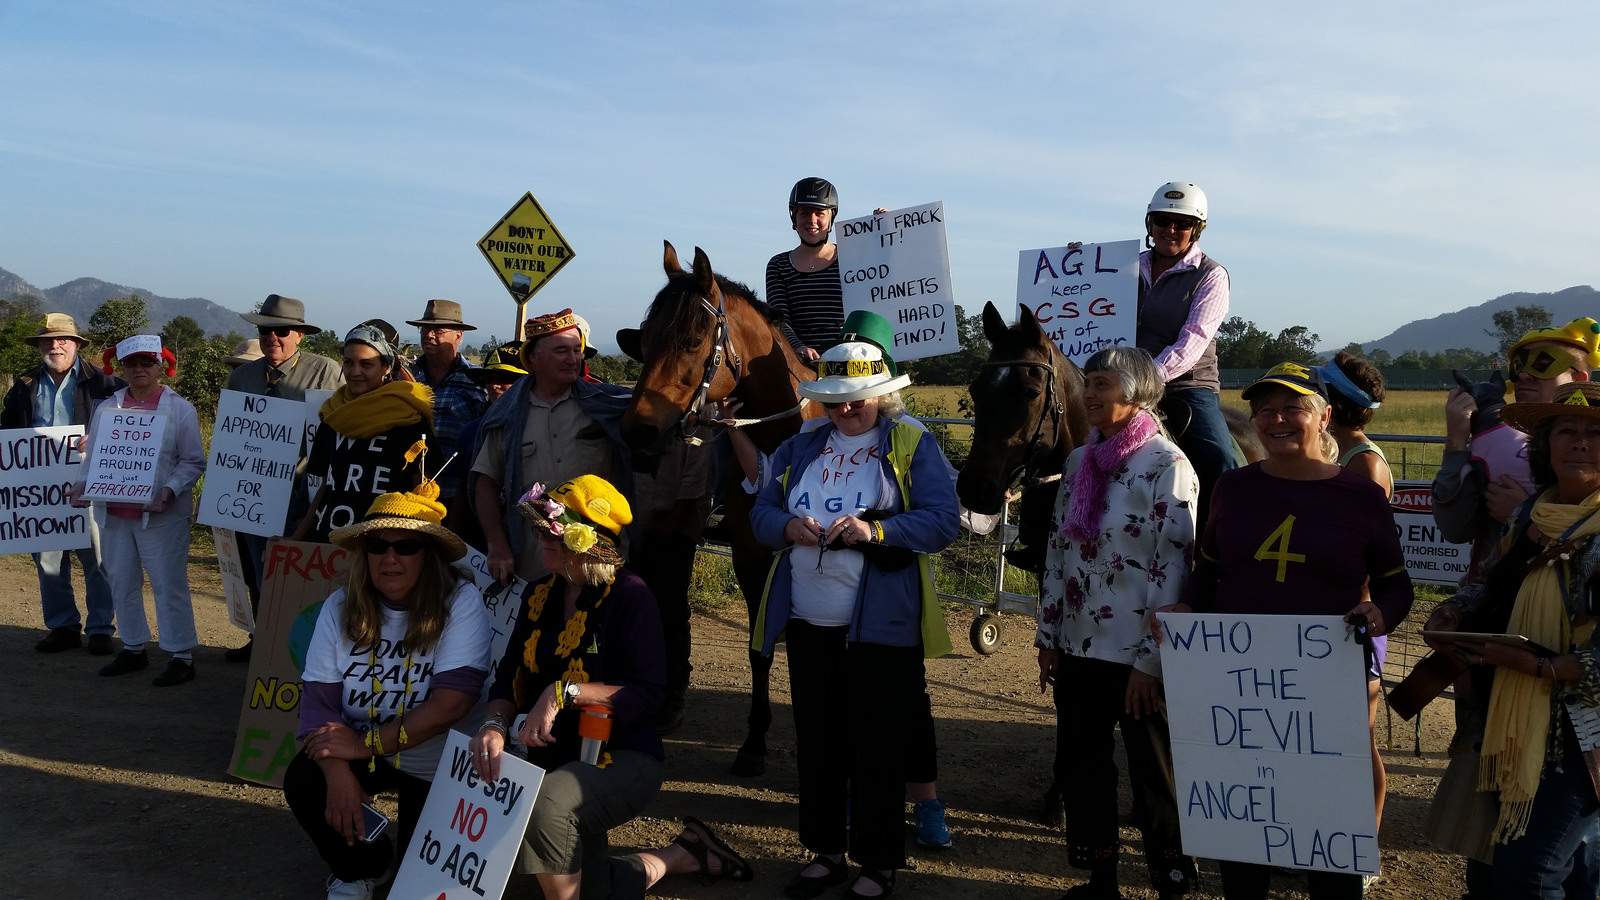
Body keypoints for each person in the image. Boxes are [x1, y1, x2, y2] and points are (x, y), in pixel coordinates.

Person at [1174, 361, 1413, 899]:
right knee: (1247, 837)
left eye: (1293, 408)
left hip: (1324, 687)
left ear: (1324, 416)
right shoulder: (1232, 489)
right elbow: (1207, 574)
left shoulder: (1360, 497)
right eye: (1265, 409)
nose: (1277, 419)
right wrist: (1187, 609)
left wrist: (1380, 617)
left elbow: (1398, 589)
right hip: (1241, 689)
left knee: (1330, 836)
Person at [721, 309, 956, 845]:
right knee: (818, 745)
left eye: (858, 397)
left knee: (876, 747)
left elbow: (942, 521)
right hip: (808, 625)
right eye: (834, 398)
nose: (845, 408)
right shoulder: (800, 444)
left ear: (883, 394)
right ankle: (823, 852)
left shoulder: (910, 443)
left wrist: (876, 533)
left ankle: (877, 862)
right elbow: (761, 512)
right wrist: (786, 526)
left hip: (880, 629)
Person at [469, 474, 754, 898]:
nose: (542, 538)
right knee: (573, 885)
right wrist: (493, 723)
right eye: (541, 530)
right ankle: (681, 854)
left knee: (548, 807)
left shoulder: (631, 596)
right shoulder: (538, 593)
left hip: (621, 756)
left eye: (554, 533)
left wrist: (566, 692)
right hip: (554, 760)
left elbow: (648, 695)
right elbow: (510, 673)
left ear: (588, 544)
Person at [1425, 317, 1600, 895]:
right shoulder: (1532, 514)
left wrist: (1545, 667)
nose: (1579, 440)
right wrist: (1455, 613)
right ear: (1545, 447)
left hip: (1585, 729)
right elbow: (1494, 579)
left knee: (1533, 871)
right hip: (1512, 713)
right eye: (1565, 430)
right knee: (1516, 862)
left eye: (1595, 431)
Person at [283, 475, 491, 900]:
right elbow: (317, 706)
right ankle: (359, 870)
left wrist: (364, 746)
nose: (390, 558)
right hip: (363, 746)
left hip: (438, 759)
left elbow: (452, 704)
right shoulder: (339, 605)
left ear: (429, 555)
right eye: (377, 546)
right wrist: (337, 771)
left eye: (406, 547)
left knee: (419, 884)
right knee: (305, 779)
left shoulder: (461, 600)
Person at [1037, 346, 1197, 899]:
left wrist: (1152, 663)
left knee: (1154, 770)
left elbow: (1173, 564)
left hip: (1136, 654)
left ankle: (1169, 879)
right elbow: (1059, 549)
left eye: (1102, 384)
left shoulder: (1166, 465)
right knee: (1084, 763)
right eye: (1088, 384)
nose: (1090, 394)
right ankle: (1101, 878)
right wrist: (1048, 635)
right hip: (1080, 645)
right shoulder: (1082, 460)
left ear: (1137, 392)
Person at [75, 336, 205, 686]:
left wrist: (169, 489)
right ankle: (133, 647)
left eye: (146, 362)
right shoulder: (108, 408)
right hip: (114, 512)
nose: (139, 369)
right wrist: (82, 484)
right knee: (121, 580)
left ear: (160, 365)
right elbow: (97, 457)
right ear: (122, 367)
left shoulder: (180, 409)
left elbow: (193, 461)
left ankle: (180, 654)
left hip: (161, 515)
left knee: (167, 582)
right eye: (132, 363)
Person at [471, 309, 631, 584]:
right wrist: (497, 544)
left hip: (597, 560)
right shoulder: (506, 417)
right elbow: (485, 481)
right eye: (561, 351)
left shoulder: (605, 407)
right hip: (532, 561)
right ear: (533, 358)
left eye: (576, 350)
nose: (573, 359)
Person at [225, 293, 344, 662]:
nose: (272, 339)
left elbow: (339, 431)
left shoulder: (324, 371)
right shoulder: (243, 375)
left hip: (302, 494)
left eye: (282, 332)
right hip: (252, 491)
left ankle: (291, 652)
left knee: (295, 573)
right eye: (266, 331)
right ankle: (263, 638)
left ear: (300, 335)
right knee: (255, 569)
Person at [1, 312, 122, 655]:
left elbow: (122, 431)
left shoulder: (103, 384)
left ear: (76, 345)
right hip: (38, 490)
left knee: (97, 559)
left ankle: (100, 629)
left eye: (63, 339)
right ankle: (63, 626)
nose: (56, 346)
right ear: (40, 345)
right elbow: (8, 432)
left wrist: (97, 438)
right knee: (48, 560)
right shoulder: (24, 385)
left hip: (89, 485)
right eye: (48, 340)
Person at [1316, 350, 1395, 834]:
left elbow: (1369, 556)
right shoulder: (1331, 453)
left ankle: (1366, 841)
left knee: (1358, 738)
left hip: (1354, 618)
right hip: (1329, 612)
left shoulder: (1363, 463)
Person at [1134, 181, 1234, 529]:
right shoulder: (1122, 268)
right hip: (1120, 384)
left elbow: (1193, 340)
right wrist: (1078, 261)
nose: (1170, 230)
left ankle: (1221, 541)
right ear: (1150, 224)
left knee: (1219, 457)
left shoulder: (1211, 276)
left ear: (1197, 229)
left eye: (1182, 223)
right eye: (1162, 220)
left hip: (1186, 385)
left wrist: (1145, 381)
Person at [297, 325, 433, 543]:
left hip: (384, 544)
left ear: (386, 368)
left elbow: (421, 486)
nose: (354, 372)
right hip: (329, 542)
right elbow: (326, 487)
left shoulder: (409, 419)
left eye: (366, 364)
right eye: (349, 363)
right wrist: (298, 536)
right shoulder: (333, 415)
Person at [406, 299, 487, 531]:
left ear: (459, 336)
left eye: (439, 330)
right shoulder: (406, 378)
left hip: (456, 498)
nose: (429, 335)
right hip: (408, 494)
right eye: (425, 329)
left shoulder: (476, 383)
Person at [766, 177, 845, 361]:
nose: (812, 220)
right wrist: (798, 347)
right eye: (805, 213)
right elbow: (780, 318)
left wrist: (884, 227)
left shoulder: (851, 258)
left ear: (831, 216)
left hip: (849, 360)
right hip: (801, 364)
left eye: (820, 213)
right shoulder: (779, 265)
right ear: (794, 216)